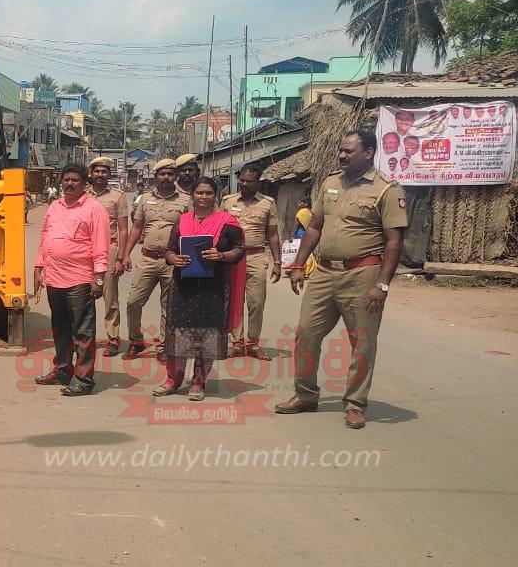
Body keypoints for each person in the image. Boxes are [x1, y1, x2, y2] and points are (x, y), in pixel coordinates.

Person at [275, 130, 408, 430]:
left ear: (369, 153)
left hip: (363, 273)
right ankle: (305, 396)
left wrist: (382, 284)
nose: (342, 155)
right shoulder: (330, 182)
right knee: (306, 334)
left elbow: (394, 242)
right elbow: (314, 227)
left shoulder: (387, 190)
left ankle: (355, 404)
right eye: (341, 150)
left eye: (349, 151)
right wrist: (298, 265)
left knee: (361, 342)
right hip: (323, 272)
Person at [157, 178, 246, 401]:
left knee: (206, 335)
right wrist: (173, 259)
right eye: (199, 193)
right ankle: (172, 380)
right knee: (178, 334)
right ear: (192, 195)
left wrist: (222, 255)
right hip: (183, 286)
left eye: (208, 193)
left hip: (213, 287)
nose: (203, 197)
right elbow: (168, 250)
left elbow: (240, 250)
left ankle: (198, 382)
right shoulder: (182, 220)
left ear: (215, 195)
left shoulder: (228, 222)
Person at [33, 164, 111, 397]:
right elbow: (45, 239)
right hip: (54, 279)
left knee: (83, 332)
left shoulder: (95, 210)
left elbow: (101, 247)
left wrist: (98, 279)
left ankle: (84, 379)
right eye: (65, 179)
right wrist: (39, 268)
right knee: (60, 329)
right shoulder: (54, 207)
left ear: (84, 184)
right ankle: (62, 370)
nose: (69, 183)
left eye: (74, 180)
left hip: (79, 281)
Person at [122, 159, 190, 359]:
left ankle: (164, 345)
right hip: (148, 259)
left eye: (170, 174)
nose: (166, 177)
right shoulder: (144, 199)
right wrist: (125, 254)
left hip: (173, 261)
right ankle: (136, 341)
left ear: (175, 176)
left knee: (168, 305)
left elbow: (191, 230)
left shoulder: (186, 200)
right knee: (133, 302)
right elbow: (136, 228)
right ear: (155, 176)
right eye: (162, 174)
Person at [221, 163, 281, 360]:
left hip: (256, 257)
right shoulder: (227, 201)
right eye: (242, 181)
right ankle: (237, 343)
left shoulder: (268, 203)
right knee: (234, 300)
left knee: (256, 302)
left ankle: (253, 343)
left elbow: (272, 234)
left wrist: (278, 263)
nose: (245, 184)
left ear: (258, 182)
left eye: (249, 181)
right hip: (232, 258)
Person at [86, 157, 132, 356]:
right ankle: (84, 337)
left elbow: (123, 229)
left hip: (109, 248)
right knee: (82, 295)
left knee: (109, 295)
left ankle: (113, 338)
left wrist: (121, 257)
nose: (100, 175)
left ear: (109, 174)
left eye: (104, 171)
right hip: (84, 250)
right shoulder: (82, 195)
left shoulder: (117, 196)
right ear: (91, 173)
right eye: (97, 171)